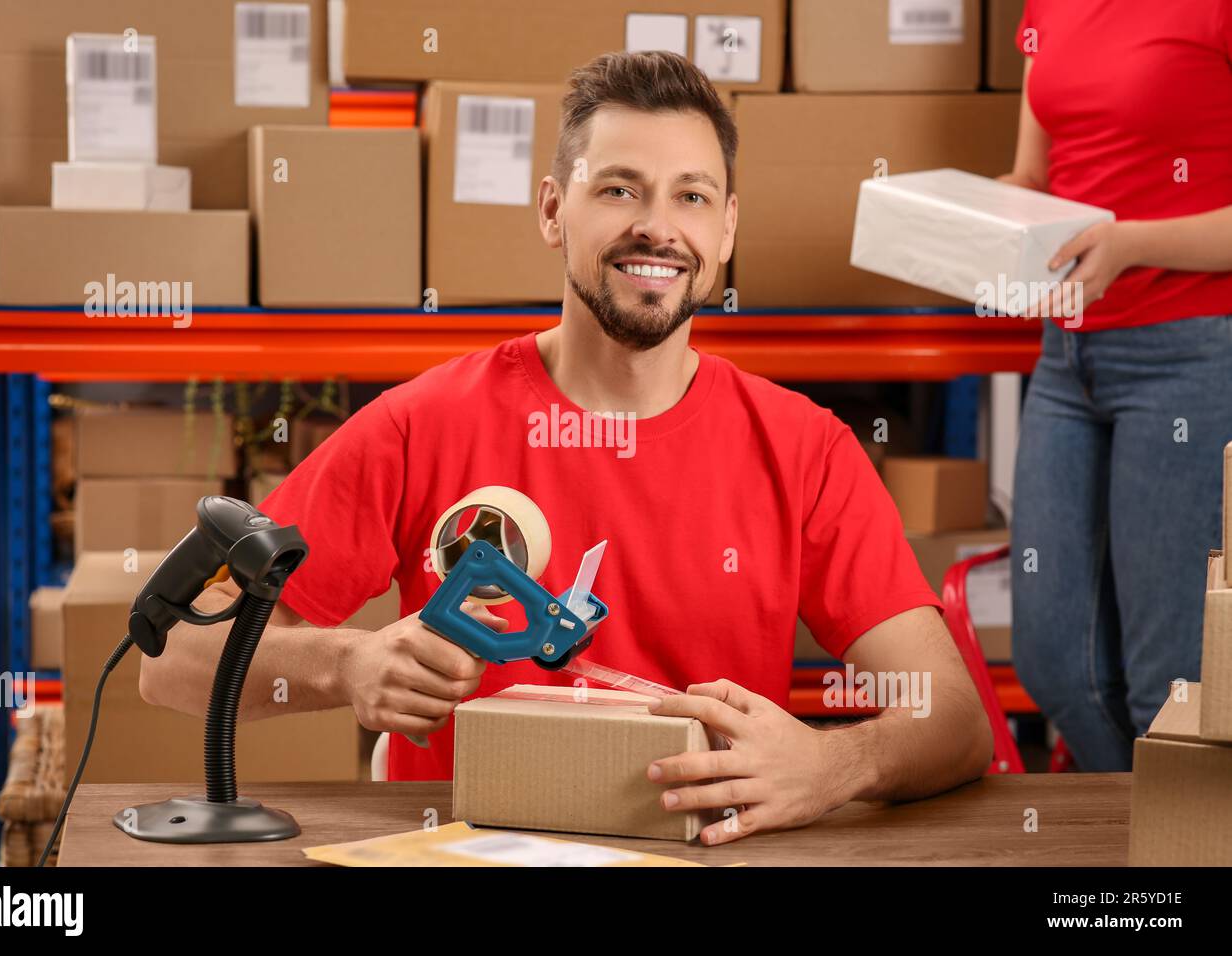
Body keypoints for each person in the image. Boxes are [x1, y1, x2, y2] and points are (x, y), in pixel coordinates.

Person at [141, 51, 991, 846]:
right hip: (468, 854)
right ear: (554, 210)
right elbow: (170, 661)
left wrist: (834, 764)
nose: (658, 228)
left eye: (691, 197)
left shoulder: (803, 449)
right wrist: (345, 662)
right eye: (619, 189)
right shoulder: (421, 424)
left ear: (727, 230)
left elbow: (954, 719)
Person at [1000, 1, 1232, 770]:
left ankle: (1168, 857)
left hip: (1190, 354)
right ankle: (1141, 824)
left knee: (1166, 687)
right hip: (1066, 356)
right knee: (1053, 662)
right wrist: (973, 224)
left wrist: (1132, 242)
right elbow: (1033, 176)